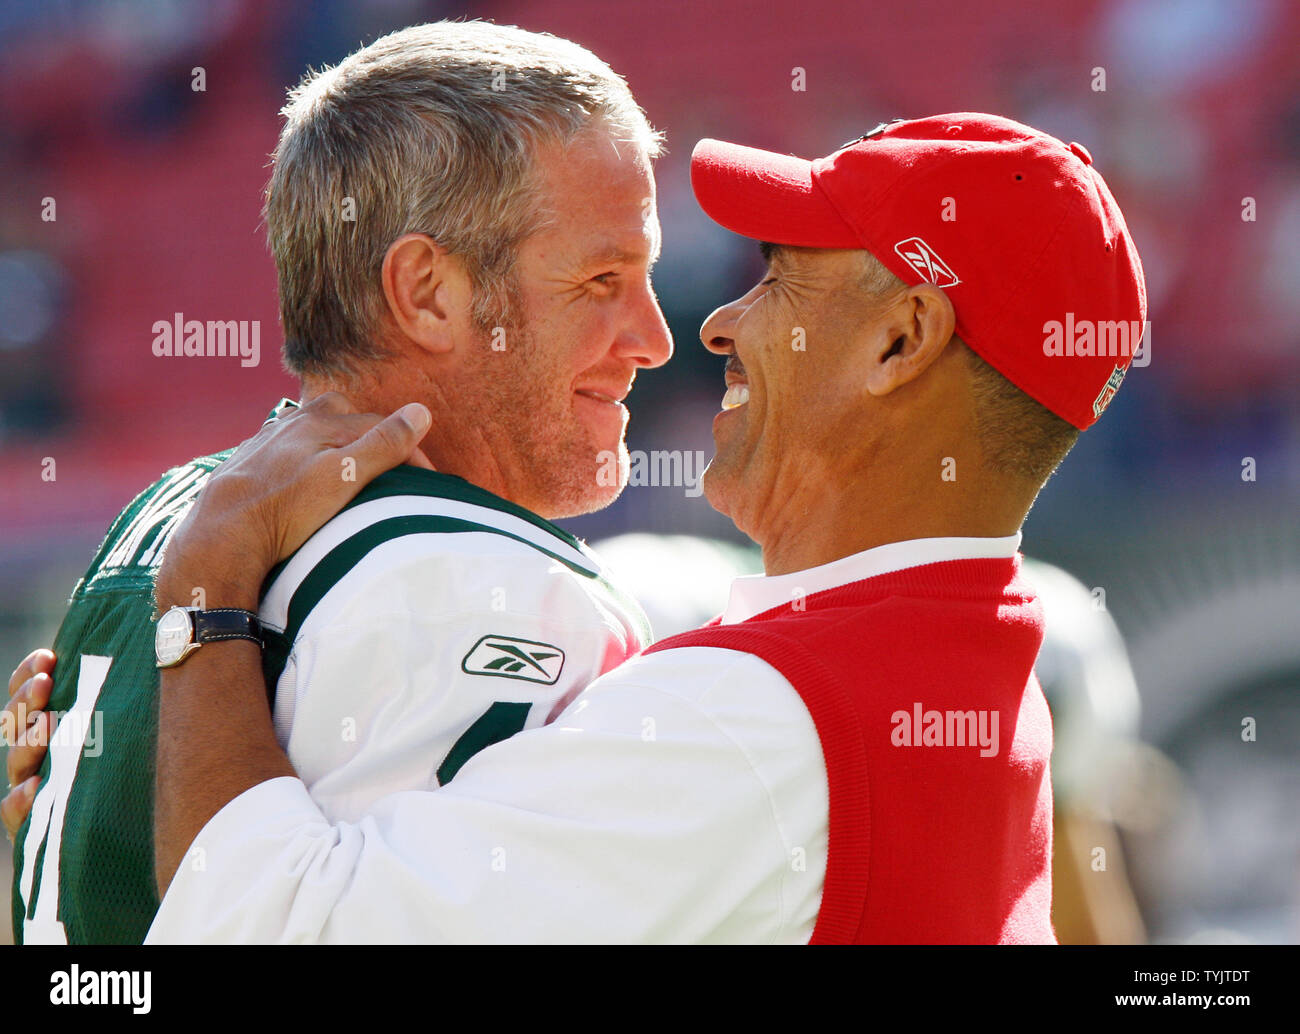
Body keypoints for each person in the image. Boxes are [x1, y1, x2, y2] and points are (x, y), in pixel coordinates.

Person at [106, 113, 1144, 943]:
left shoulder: (751, 720)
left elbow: (255, 928)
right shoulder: (992, 655)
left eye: (779, 279)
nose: (713, 325)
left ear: (901, 338)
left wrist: (206, 592)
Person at [1, 20, 671, 943]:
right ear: (430, 293)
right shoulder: (490, 582)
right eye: (602, 278)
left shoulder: (155, 517)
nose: (655, 338)